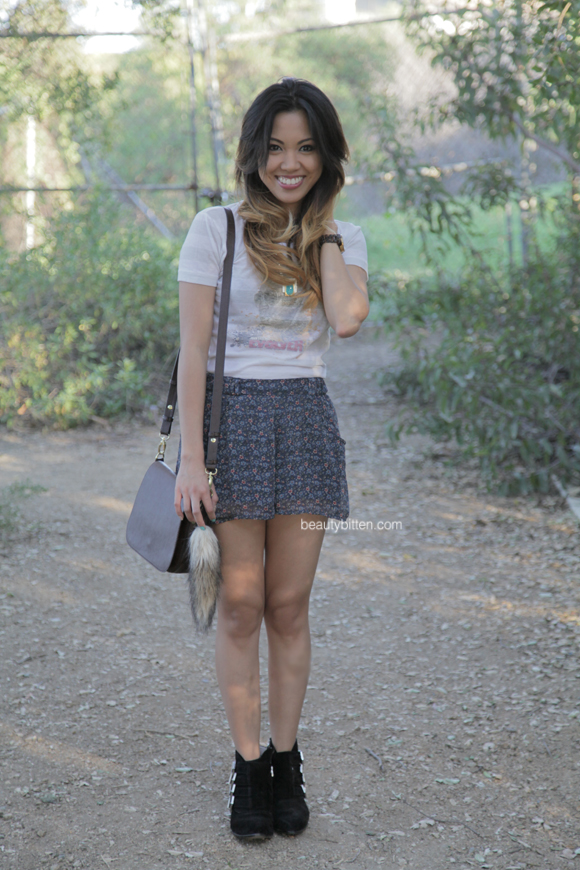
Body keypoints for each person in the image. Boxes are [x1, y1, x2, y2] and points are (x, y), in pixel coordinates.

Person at [174, 77, 369, 840]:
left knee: (288, 607)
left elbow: (348, 320)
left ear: (327, 156)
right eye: (276, 148)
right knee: (241, 605)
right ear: (254, 153)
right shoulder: (214, 229)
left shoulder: (344, 236)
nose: (290, 163)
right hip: (231, 423)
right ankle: (248, 764)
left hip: (304, 420)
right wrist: (192, 459)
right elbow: (192, 349)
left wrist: (314, 229)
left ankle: (287, 759)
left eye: (307, 148)